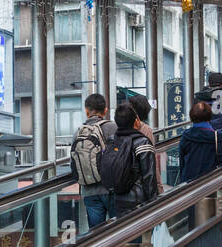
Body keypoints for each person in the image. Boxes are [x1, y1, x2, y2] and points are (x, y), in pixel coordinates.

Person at [70, 93, 117, 232]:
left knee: (96, 234)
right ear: (105, 110)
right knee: (119, 230)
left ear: (86, 110)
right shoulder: (113, 128)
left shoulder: (78, 133)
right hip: (112, 188)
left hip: (89, 190)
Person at [103, 103, 159, 216]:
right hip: (138, 200)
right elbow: (149, 176)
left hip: (117, 199)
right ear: (136, 121)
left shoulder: (111, 141)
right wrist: (154, 205)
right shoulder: (142, 142)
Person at [177, 100, 222, 183]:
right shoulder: (219, 138)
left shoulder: (186, 136)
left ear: (192, 116)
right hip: (211, 184)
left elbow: (182, 162)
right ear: (209, 116)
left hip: (188, 185)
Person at [127, 92, 163, 194]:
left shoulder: (121, 126)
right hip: (139, 183)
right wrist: (159, 186)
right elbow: (151, 159)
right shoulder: (145, 129)